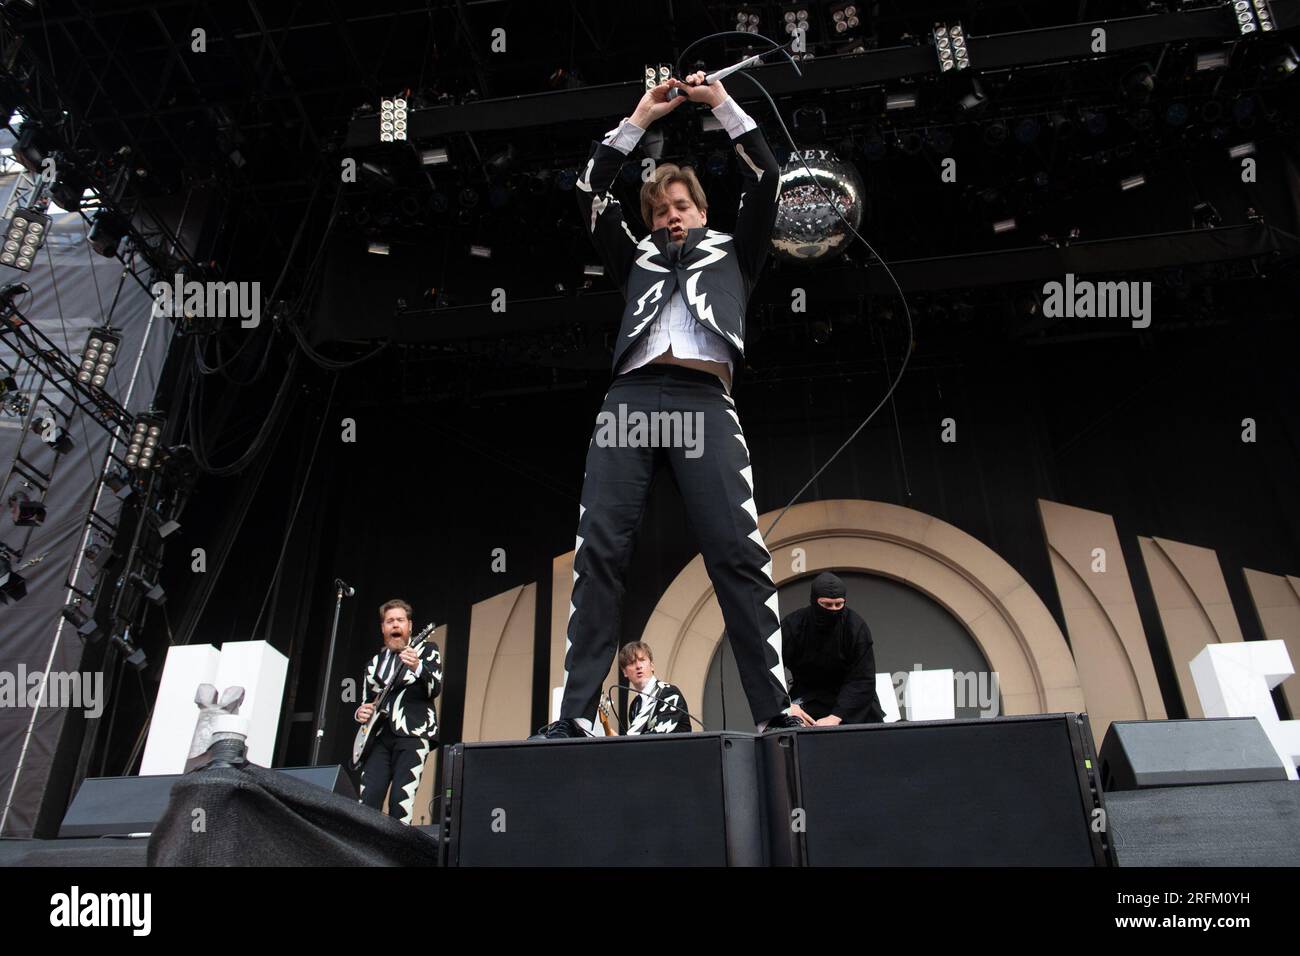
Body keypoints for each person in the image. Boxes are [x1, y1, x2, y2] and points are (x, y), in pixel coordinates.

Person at [532, 70, 804, 739]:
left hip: (703, 398)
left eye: (681, 205)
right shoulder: (638, 256)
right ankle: (576, 716)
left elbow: (768, 179)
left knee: (736, 549)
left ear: (702, 211)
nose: (670, 215)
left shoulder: (735, 251)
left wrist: (722, 105)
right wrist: (638, 120)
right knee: (599, 549)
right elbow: (589, 190)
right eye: (660, 210)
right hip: (630, 397)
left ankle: (773, 708)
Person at [354, 599, 442, 824]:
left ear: (410, 626)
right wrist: (360, 713)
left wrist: (417, 667)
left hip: (413, 734)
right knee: (368, 799)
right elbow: (367, 701)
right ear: (383, 628)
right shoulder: (374, 663)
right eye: (389, 621)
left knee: (400, 801)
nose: (395, 625)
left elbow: (435, 688)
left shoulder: (427, 650)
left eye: (400, 620)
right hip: (379, 739)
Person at [781, 572, 885, 727]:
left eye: (838, 604)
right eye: (827, 605)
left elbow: (862, 679)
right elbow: (771, 668)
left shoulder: (856, 628)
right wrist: (787, 706)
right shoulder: (793, 626)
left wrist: (836, 717)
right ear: (815, 601)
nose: (833, 610)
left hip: (852, 703)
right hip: (807, 697)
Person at [619, 641, 691, 734]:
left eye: (642, 660)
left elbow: (659, 735)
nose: (638, 666)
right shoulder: (635, 705)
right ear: (624, 672)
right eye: (632, 662)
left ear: (652, 666)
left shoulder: (669, 692)